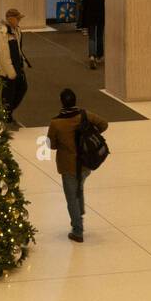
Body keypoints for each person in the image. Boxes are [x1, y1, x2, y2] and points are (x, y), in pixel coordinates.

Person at [47, 88, 108, 243]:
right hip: (86, 162)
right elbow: (104, 124)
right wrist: (90, 132)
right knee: (79, 186)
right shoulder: (84, 115)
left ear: (62, 102)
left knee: (71, 197)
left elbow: (51, 145)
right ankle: (80, 211)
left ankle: (77, 230)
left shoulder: (56, 123)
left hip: (68, 165)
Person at [0, 8, 31, 130]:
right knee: (7, 96)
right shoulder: (3, 33)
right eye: (18, 18)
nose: (19, 21)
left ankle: (7, 115)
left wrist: (23, 63)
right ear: (11, 19)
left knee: (22, 88)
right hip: (7, 71)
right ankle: (4, 119)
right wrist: (11, 73)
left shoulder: (17, 30)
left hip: (18, 67)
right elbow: (3, 54)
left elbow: (19, 51)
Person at [80, 0, 105, 69]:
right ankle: (99, 55)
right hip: (100, 16)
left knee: (91, 37)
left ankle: (91, 56)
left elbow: (84, 6)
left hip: (90, 17)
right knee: (99, 36)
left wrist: (83, 21)